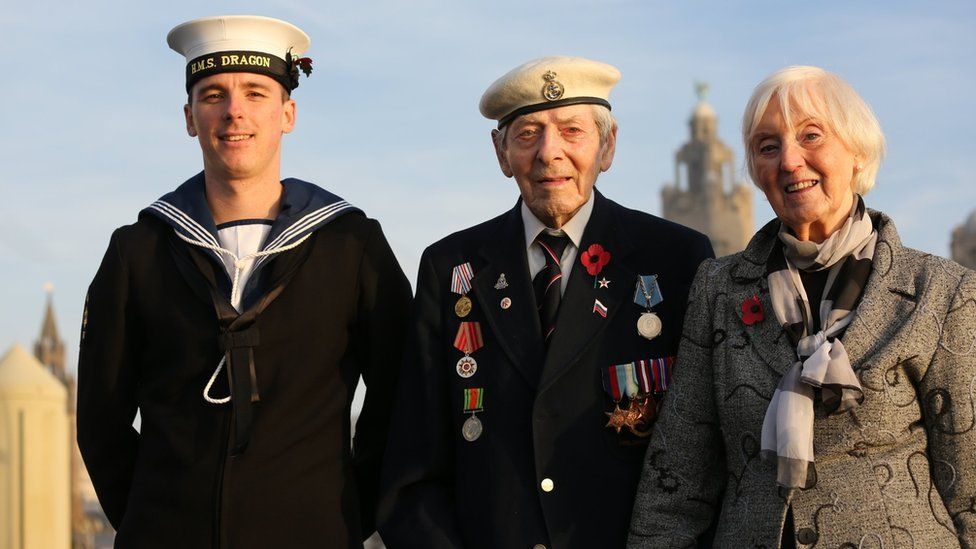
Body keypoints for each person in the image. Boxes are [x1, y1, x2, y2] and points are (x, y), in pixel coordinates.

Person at [77, 15, 412, 548]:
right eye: (214, 94)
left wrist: (349, 509)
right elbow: (100, 417)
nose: (235, 112)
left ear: (288, 114)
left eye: (256, 93)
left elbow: (401, 397)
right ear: (190, 117)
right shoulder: (137, 251)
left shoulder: (352, 246)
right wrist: (154, 515)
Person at [627, 65, 976, 548]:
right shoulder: (718, 288)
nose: (790, 160)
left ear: (857, 151)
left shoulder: (941, 290)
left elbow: (971, 487)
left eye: (811, 136)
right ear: (755, 171)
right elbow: (679, 474)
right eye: (768, 147)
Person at [379, 56, 714, 549]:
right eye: (528, 133)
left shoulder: (677, 259)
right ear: (501, 152)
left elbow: (707, 455)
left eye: (572, 131)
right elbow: (413, 469)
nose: (549, 153)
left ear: (608, 146)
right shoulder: (451, 267)